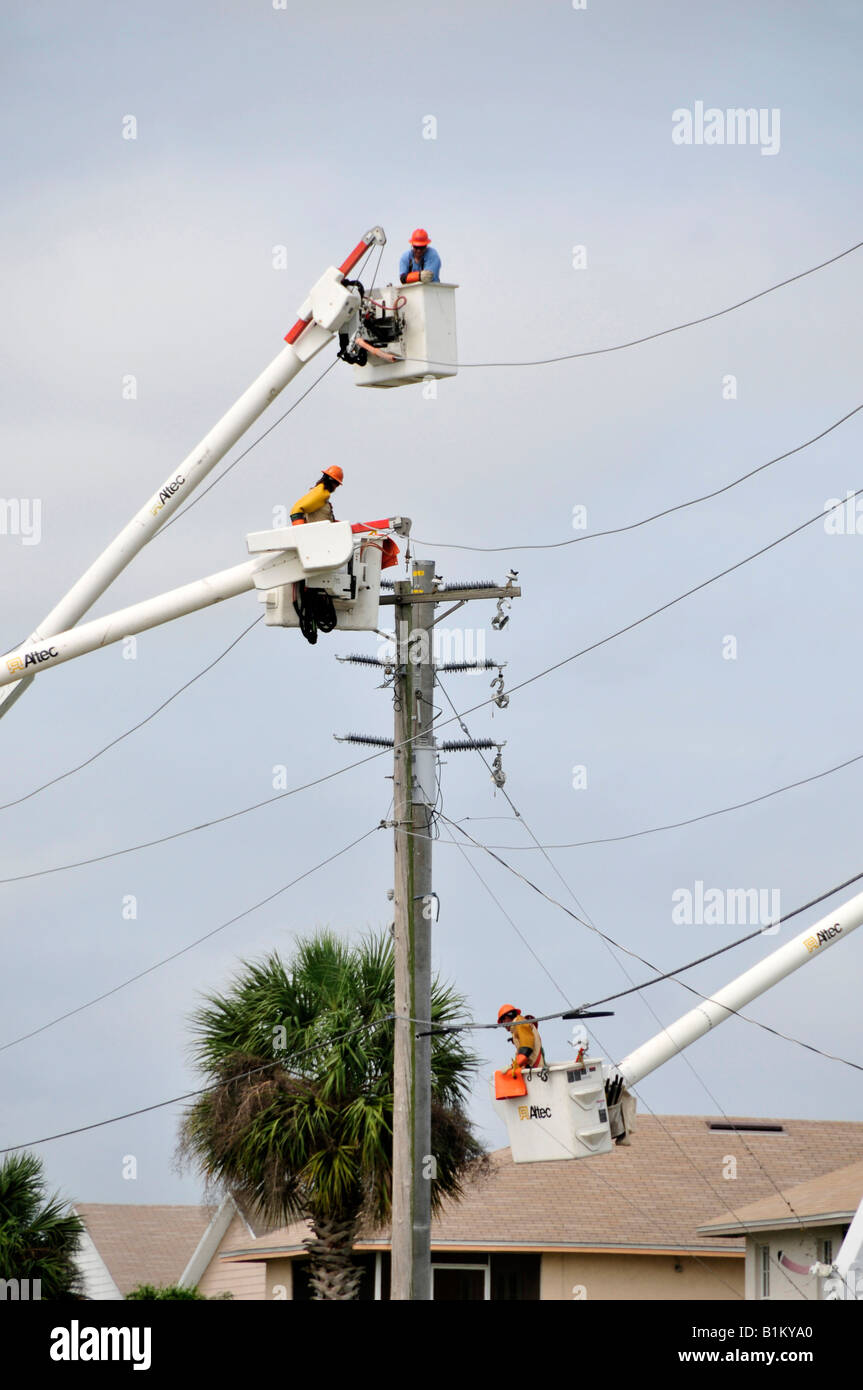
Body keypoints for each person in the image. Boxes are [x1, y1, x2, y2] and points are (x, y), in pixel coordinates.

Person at [498, 1004, 544, 1077]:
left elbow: (526, 1049)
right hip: (533, 1069)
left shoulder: (520, 1023)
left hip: (535, 1071)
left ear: (507, 1017)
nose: (503, 1025)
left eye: (502, 1021)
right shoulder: (517, 1026)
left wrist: (513, 1066)